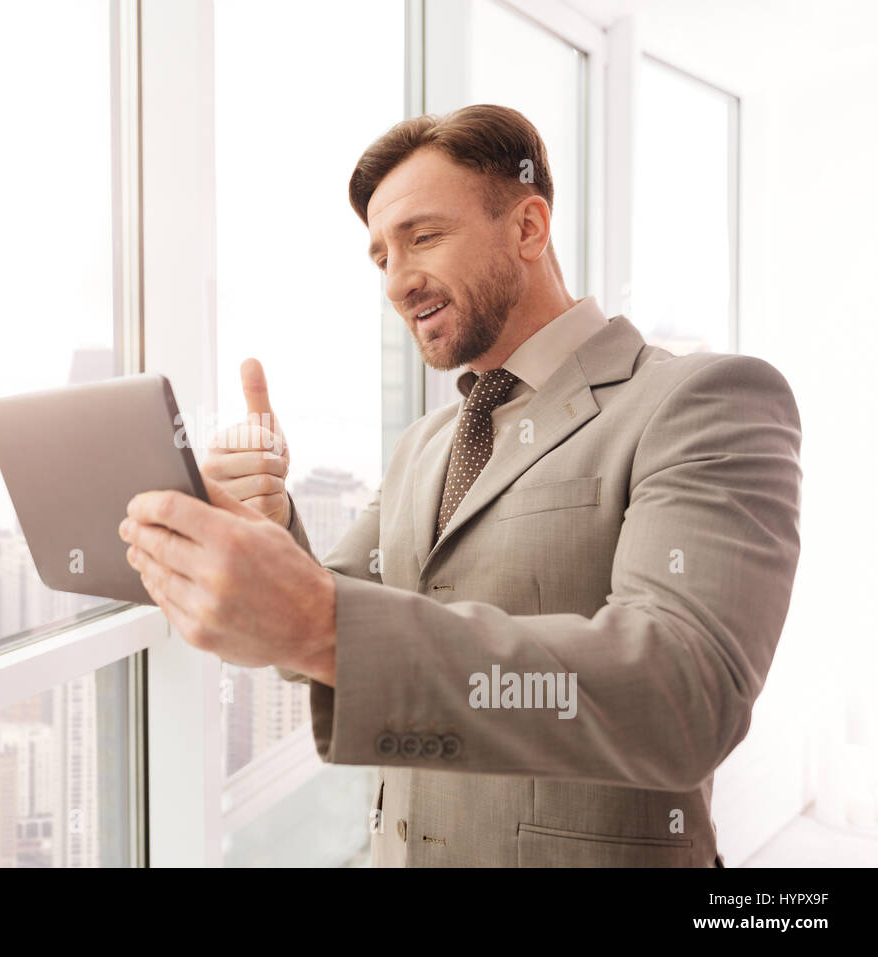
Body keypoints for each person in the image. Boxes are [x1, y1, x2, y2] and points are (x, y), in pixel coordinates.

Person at [117, 104, 802, 867]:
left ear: (528, 228)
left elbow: (684, 692)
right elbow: (312, 617)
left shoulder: (703, 400)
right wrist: (269, 528)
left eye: (423, 237)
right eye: (380, 257)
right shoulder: (427, 442)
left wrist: (324, 625)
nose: (397, 281)